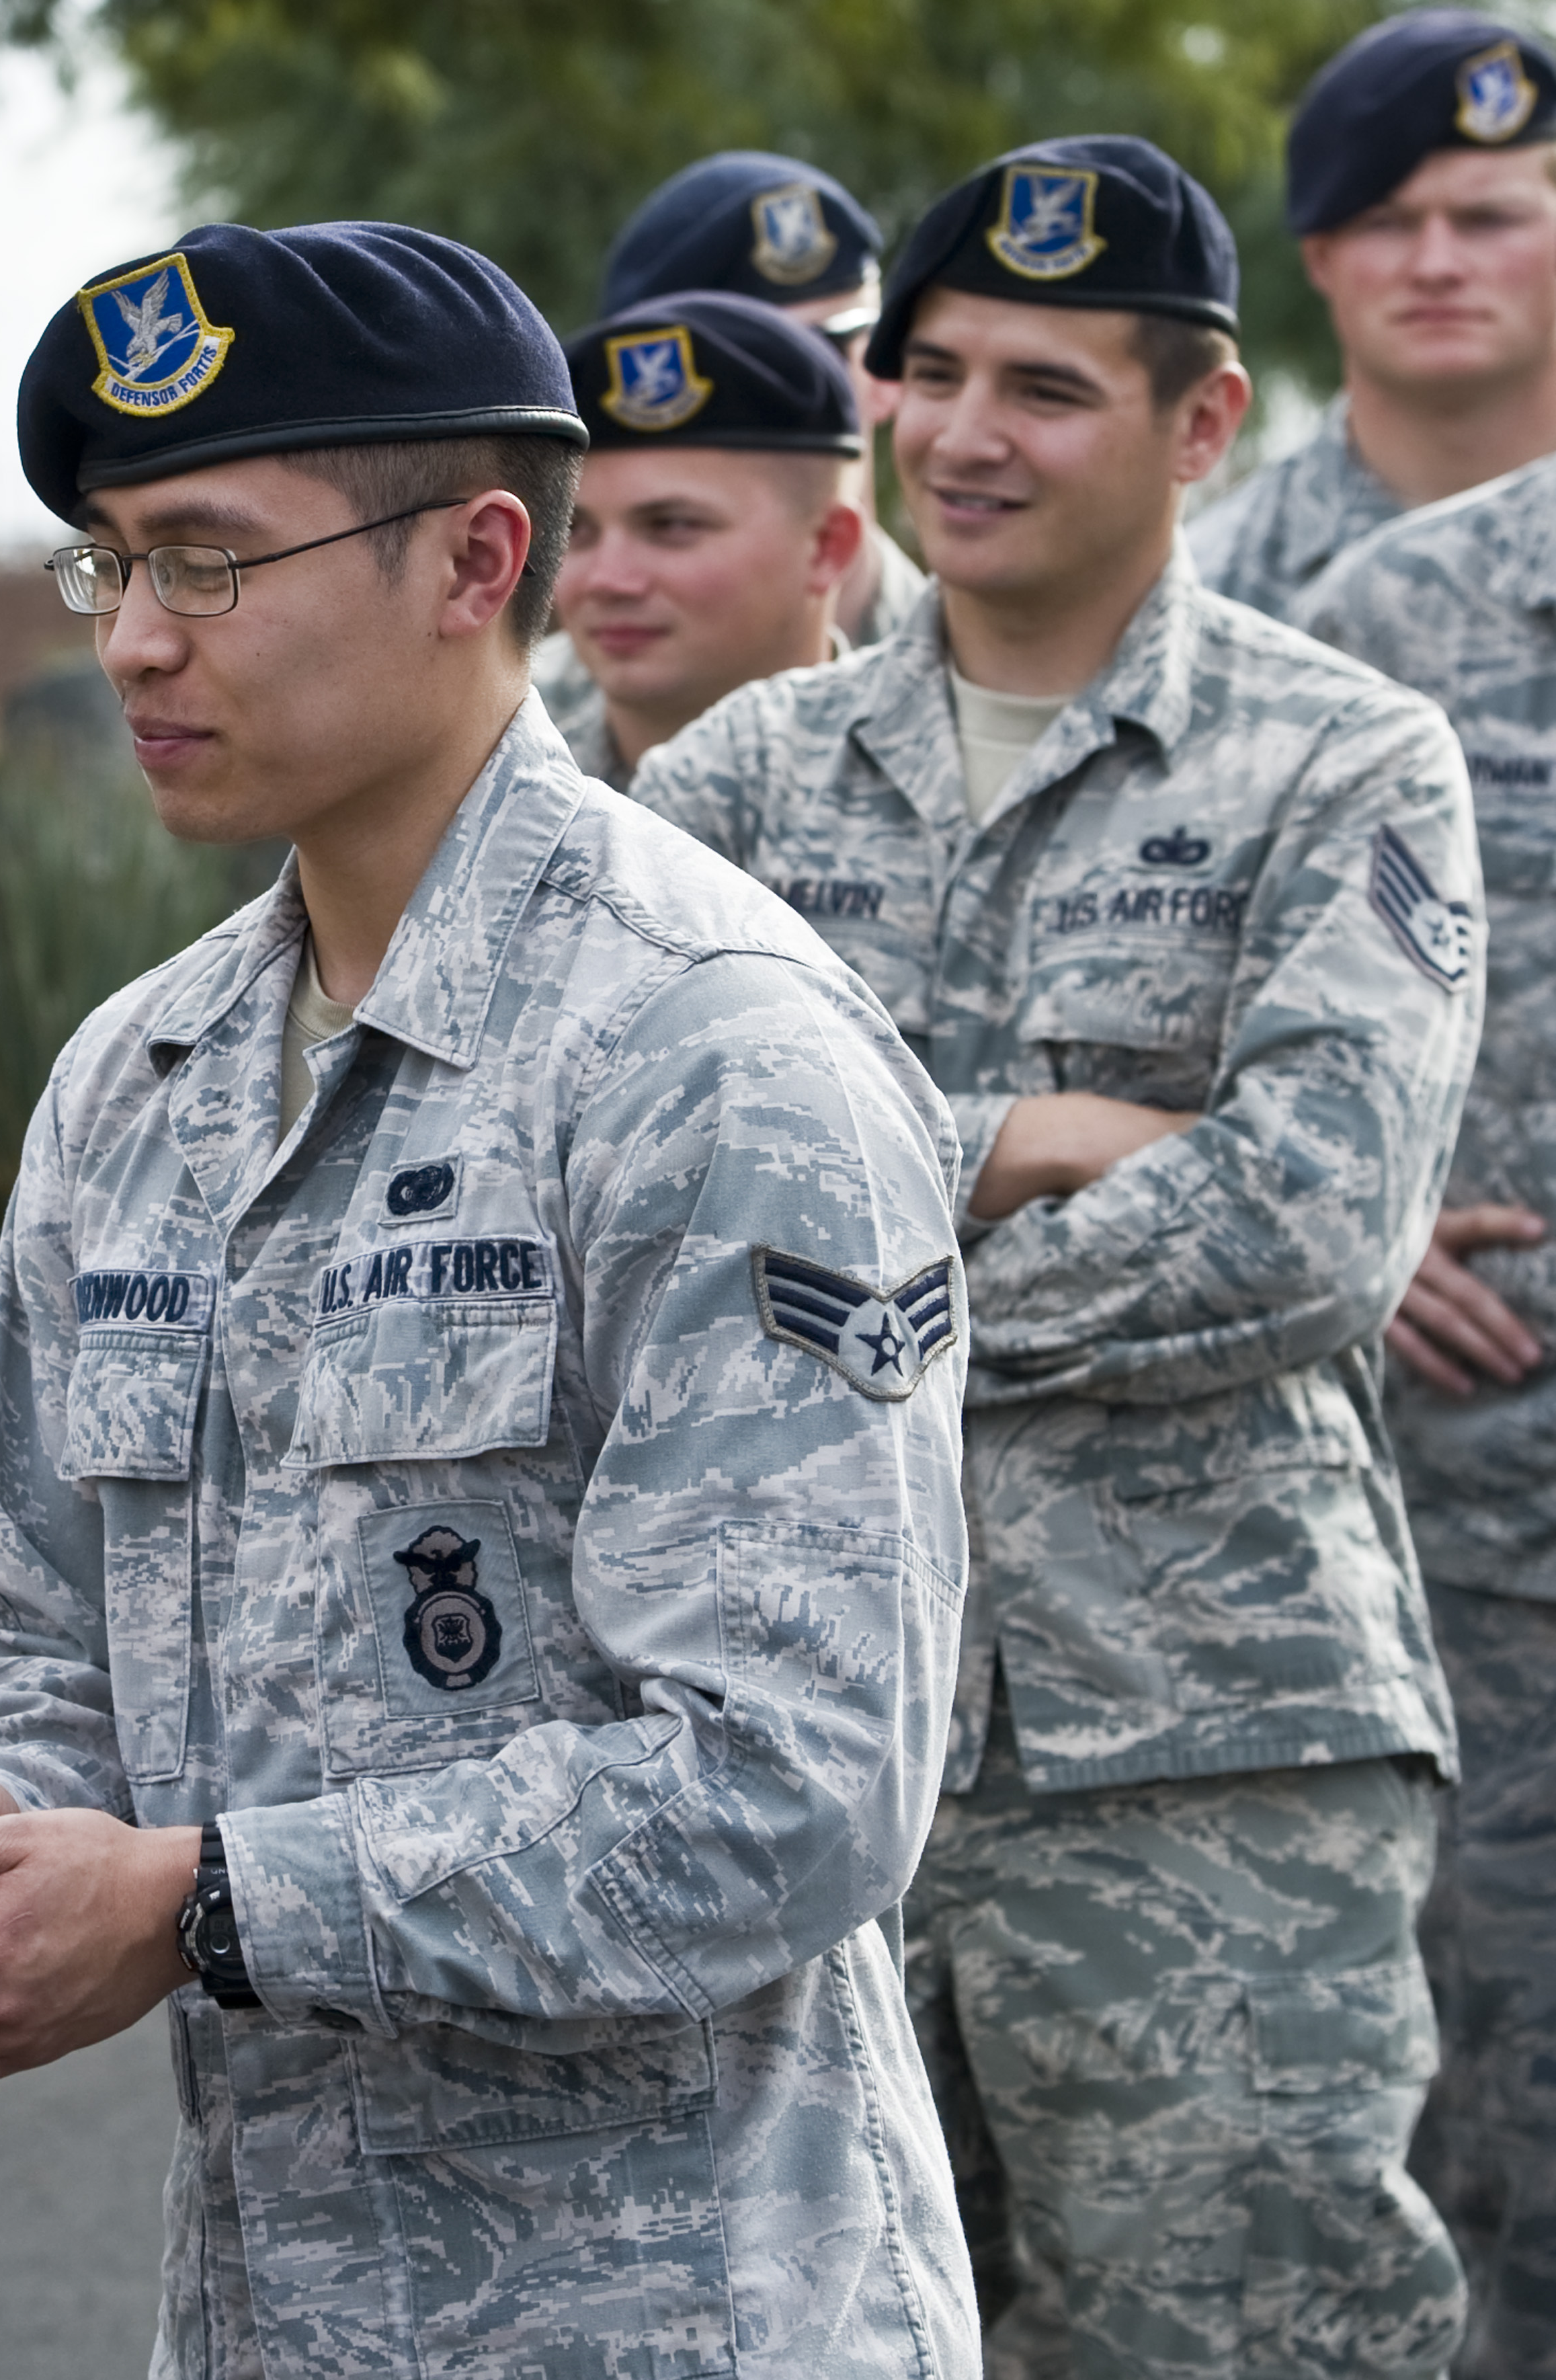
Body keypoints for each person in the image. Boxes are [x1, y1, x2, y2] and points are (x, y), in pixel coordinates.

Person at [0, 221, 979, 2375]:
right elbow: (30, 1647)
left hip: (688, 2311)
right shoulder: (134, 1084)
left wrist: (205, 1902)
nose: (140, 641)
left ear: (471, 563)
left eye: (212, 562)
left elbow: (792, 1785)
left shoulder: (709, 1054)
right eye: (109, 567)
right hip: (271, 2310)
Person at [630, 137, 1479, 2375]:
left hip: (1206, 1771)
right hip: (800, 1745)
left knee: (1251, 2340)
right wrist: (1030, 1143)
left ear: (1203, 426)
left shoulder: (1347, 762)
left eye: (1045, 387)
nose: (962, 434)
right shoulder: (733, 791)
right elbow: (609, 1194)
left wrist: (840, 1301)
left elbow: (1306, 1220)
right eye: (927, 375)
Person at [1300, 465, 1556, 2377]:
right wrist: (1347, 1224)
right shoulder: (1410, 609)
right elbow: (1249, 1028)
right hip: (1484, 1548)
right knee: (1486, 2158)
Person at [538, 151, 928, 761]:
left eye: (817, 355)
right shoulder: (514, 727)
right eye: (733, 368)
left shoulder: (987, 681)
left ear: (888, 372)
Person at [1189, 11, 1556, 621]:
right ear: (1320, 258)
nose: (1437, 265)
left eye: (1488, 220)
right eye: (1386, 225)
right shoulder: (1209, 596)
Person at [549, 288, 871, 785]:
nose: (608, 581)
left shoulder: (932, 791)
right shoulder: (473, 771)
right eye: (575, 530)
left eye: (672, 527)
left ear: (828, 546)